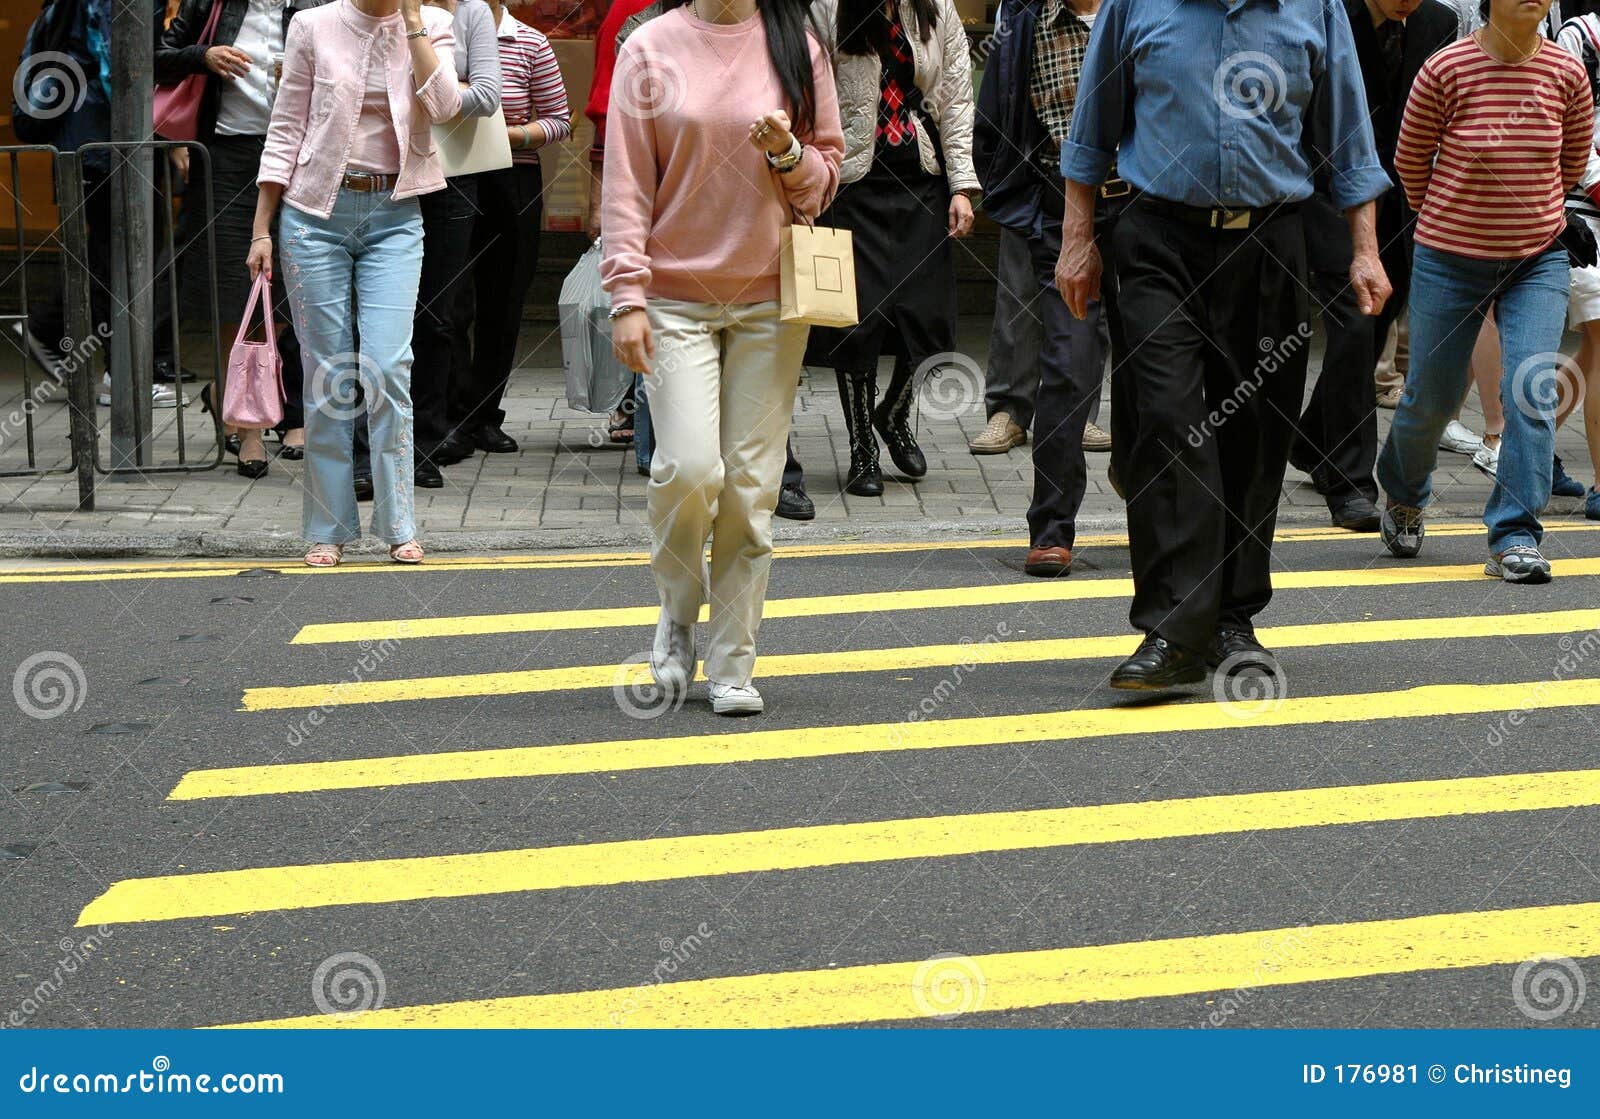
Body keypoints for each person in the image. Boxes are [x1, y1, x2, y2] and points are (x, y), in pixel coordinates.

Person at [1061, 0, 1392, 688]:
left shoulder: (1315, 8)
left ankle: (1233, 615)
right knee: (1170, 423)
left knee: (1255, 435)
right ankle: (1175, 628)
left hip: (1269, 242)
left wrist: (1365, 249)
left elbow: (1350, 139)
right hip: (1157, 241)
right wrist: (1077, 239)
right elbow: (1092, 126)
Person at [602, 0, 843, 714]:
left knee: (750, 487)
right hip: (674, 299)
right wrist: (627, 297)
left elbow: (827, 176)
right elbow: (624, 186)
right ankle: (678, 612)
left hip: (771, 299)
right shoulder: (649, 47)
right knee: (688, 468)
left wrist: (789, 156)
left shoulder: (797, 45)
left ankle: (733, 660)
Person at [1378, 0, 1591, 582]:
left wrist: (1528, 215)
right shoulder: (1446, 69)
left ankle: (1515, 532)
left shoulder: (1566, 73)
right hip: (1449, 258)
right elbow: (1410, 161)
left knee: (1532, 391)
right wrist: (1451, 222)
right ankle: (1403, 491)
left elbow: (1572, 161)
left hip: (1536, 259)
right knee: (1432, 398)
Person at [249, 0, 461, 567]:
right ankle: (328, 525)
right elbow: (287, 124)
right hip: (311, 215)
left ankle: (398, 522)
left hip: (396, 215)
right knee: (328, 371)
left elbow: (445, 108)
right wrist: (261, 228)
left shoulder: (434, 24)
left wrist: (413, 21)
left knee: (389, 365)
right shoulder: (312, 25)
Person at [1289, 0, 1456, 532]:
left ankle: (1311, 439)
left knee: (1377, 317)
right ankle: (1351, 481)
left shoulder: (1438, 23)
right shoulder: (1327, 12)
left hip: (1403, 194)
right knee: (1356, 320)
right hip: (1324, 185)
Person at [973, 0, 1121, 578]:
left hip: (1146, 213)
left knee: (1158, 368)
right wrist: (1030, 212)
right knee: (1066, 365)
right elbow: (994, 121)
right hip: (1060, 217)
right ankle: (1052, 528)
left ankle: (1148, 490)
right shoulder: (1027, 21)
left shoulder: (1144, 14)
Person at [806, 0, 977, 498]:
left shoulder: (936, 9)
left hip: (919, 179)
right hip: (850, 185)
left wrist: (962, 185)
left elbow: (957, 99)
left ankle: (894, 413)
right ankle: (863, 449)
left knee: (928, 315)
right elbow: (805, 94)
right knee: (857, 322)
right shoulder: (826, 8)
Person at [159, 0, 307, 476]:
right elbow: (158, 56)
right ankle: (248, 427)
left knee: (285, 289)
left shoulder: (317, 8)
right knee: (234, 291)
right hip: (227, 156)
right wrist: (203, 56)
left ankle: (273, 406)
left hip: (298, 157)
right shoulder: (212, 1)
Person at [449, 0, 570, 459]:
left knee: (504, 301)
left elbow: (560, 121)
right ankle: (450, 414)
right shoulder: (442, 32)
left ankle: (483, 416)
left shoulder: (531, 43)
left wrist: (511, 135)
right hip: (453, 175)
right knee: (451, 303)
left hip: (512, 177)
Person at [407, 0, 501, 487]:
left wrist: (433, 92)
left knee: (436, 313)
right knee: (384, 314)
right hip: (392, 170)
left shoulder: (470, 13)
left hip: (451, 176)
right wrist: (437, 91)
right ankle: (376, 439)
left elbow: (487, 95)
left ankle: (427, 437)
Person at [1556, 10, 1600, 517]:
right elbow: (1571, 129)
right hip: (1581, 212)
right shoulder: (1581, 36)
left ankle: (1535, 449)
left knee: (1594, 349)